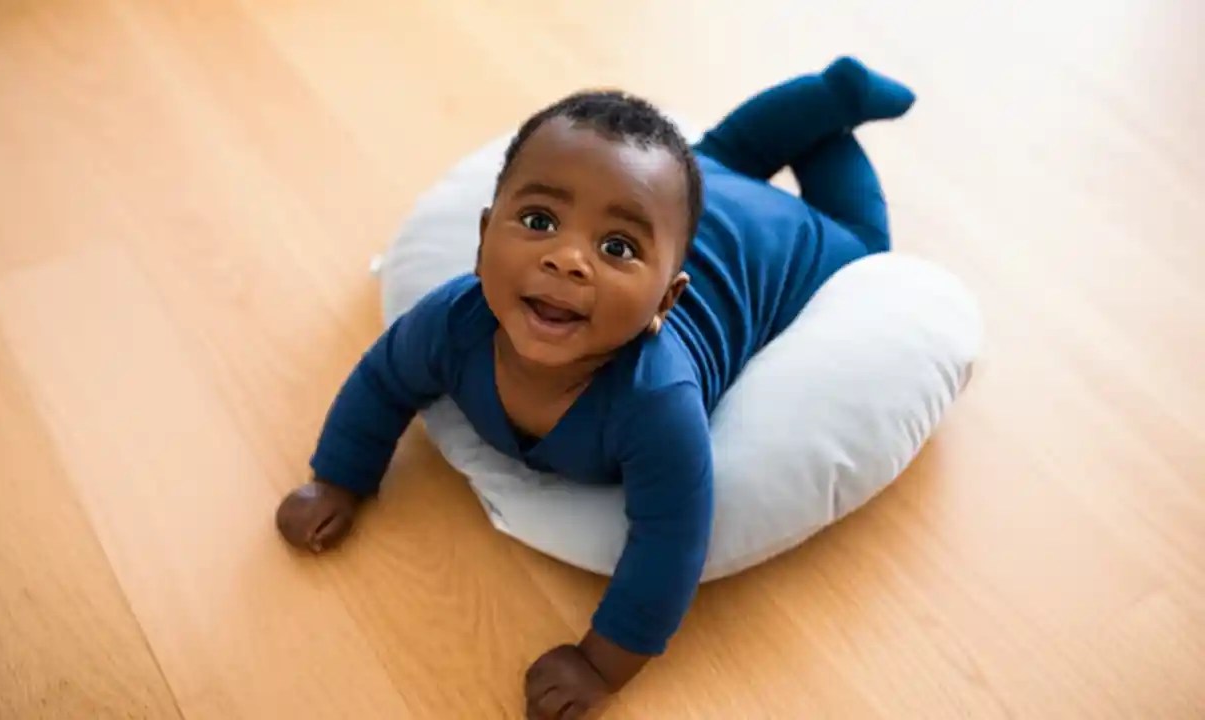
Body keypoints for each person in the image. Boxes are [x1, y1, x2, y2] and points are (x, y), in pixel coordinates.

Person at [277, 56, 915, 719]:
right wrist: (339, 477)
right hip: (708, 194)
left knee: (862, 238)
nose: (566, 258)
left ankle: (833, 109)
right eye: (540, 222)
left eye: (616, 248)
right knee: (725, 155)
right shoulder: (450, 322)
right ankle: (822, 107)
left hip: (780, 245)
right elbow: (383, 381)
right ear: (482, 239)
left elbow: (671, 543)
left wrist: (600, 663)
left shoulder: (656, 404)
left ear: (667, 301)